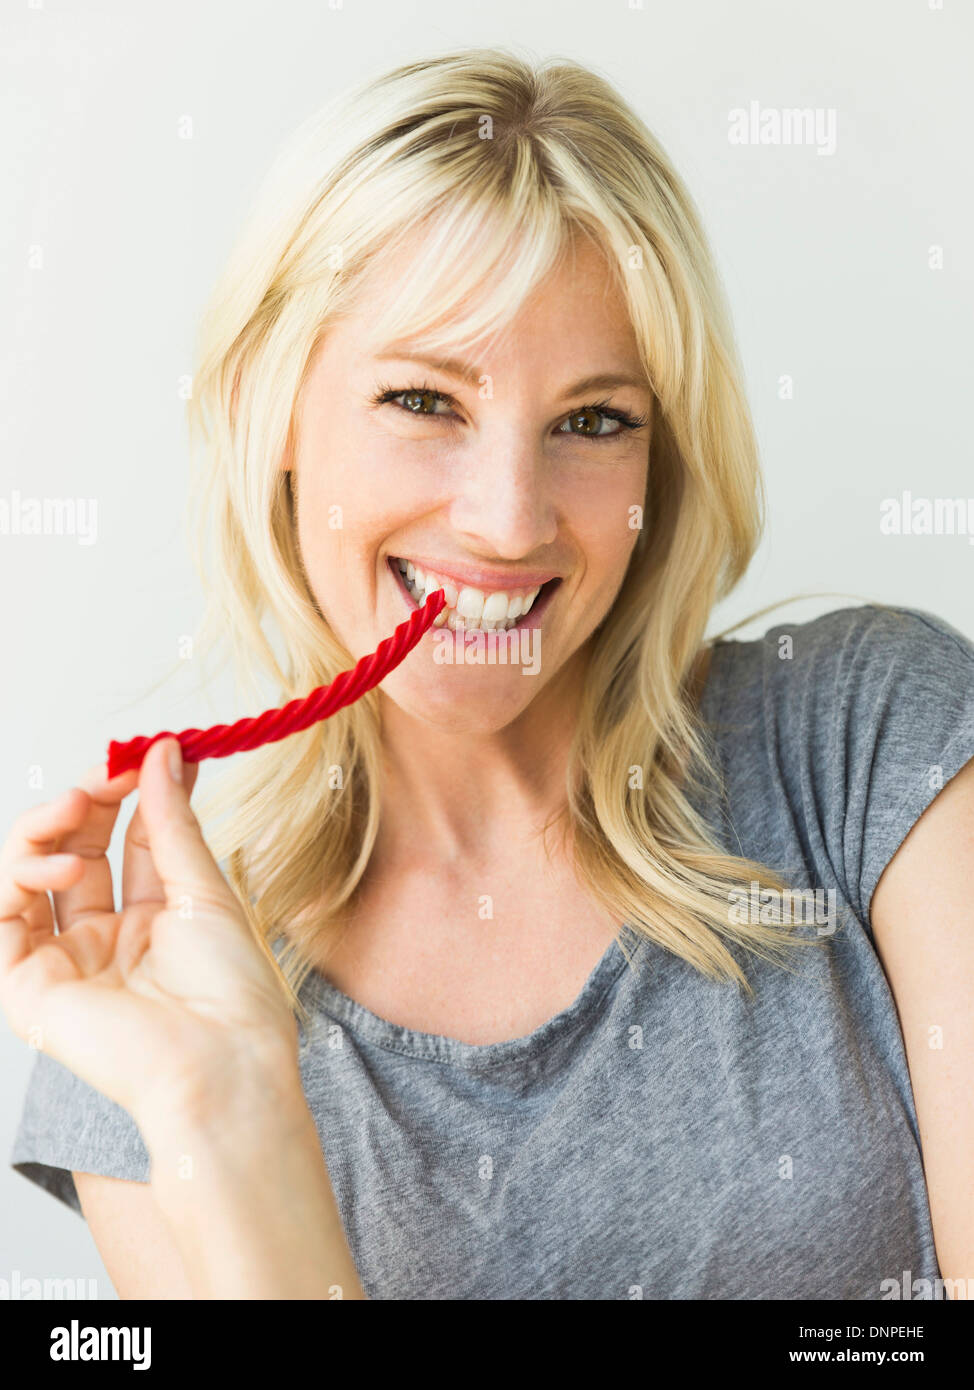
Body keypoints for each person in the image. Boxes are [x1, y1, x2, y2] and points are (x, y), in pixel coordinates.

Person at [4, 48, 974, 1301]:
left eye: (592, 420)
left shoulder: (876, 746)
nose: (510, 521)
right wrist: (228, 1111)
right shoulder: (145, 1002)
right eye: (423, 399)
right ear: (273, 410)